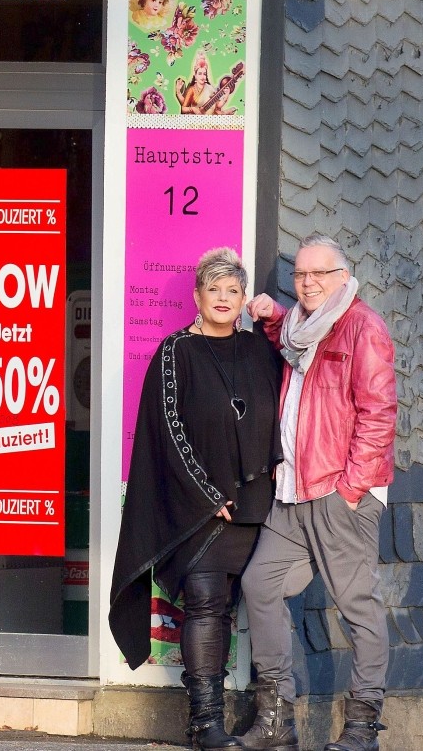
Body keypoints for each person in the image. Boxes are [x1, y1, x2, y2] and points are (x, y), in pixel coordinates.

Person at [110, 247, 282, 750]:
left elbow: (283, 413)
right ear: (197, 297)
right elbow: (168, 430)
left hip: (255, 503)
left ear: (244, 297)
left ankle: (273, 719)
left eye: (234, 290)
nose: (224, 298)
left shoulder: (257, 350)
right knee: (206, 603)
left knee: (248, 604)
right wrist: (207, 495)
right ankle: (205, 721)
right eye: (215, 289)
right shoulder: (174, 352)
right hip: (200, 507)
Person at [239, 235, 398, 751]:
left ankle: (362, 728)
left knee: (357, 607)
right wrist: (267, 314)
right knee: (261, 584)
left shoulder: (362, 327)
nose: (306, 283)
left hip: (337, 491)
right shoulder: (300, 327)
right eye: (300, 275)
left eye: (317, 275)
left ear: (341, 276)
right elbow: (284, 331)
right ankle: (276, 720)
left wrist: (350, 490)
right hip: (293, 491)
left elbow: (378, 415)